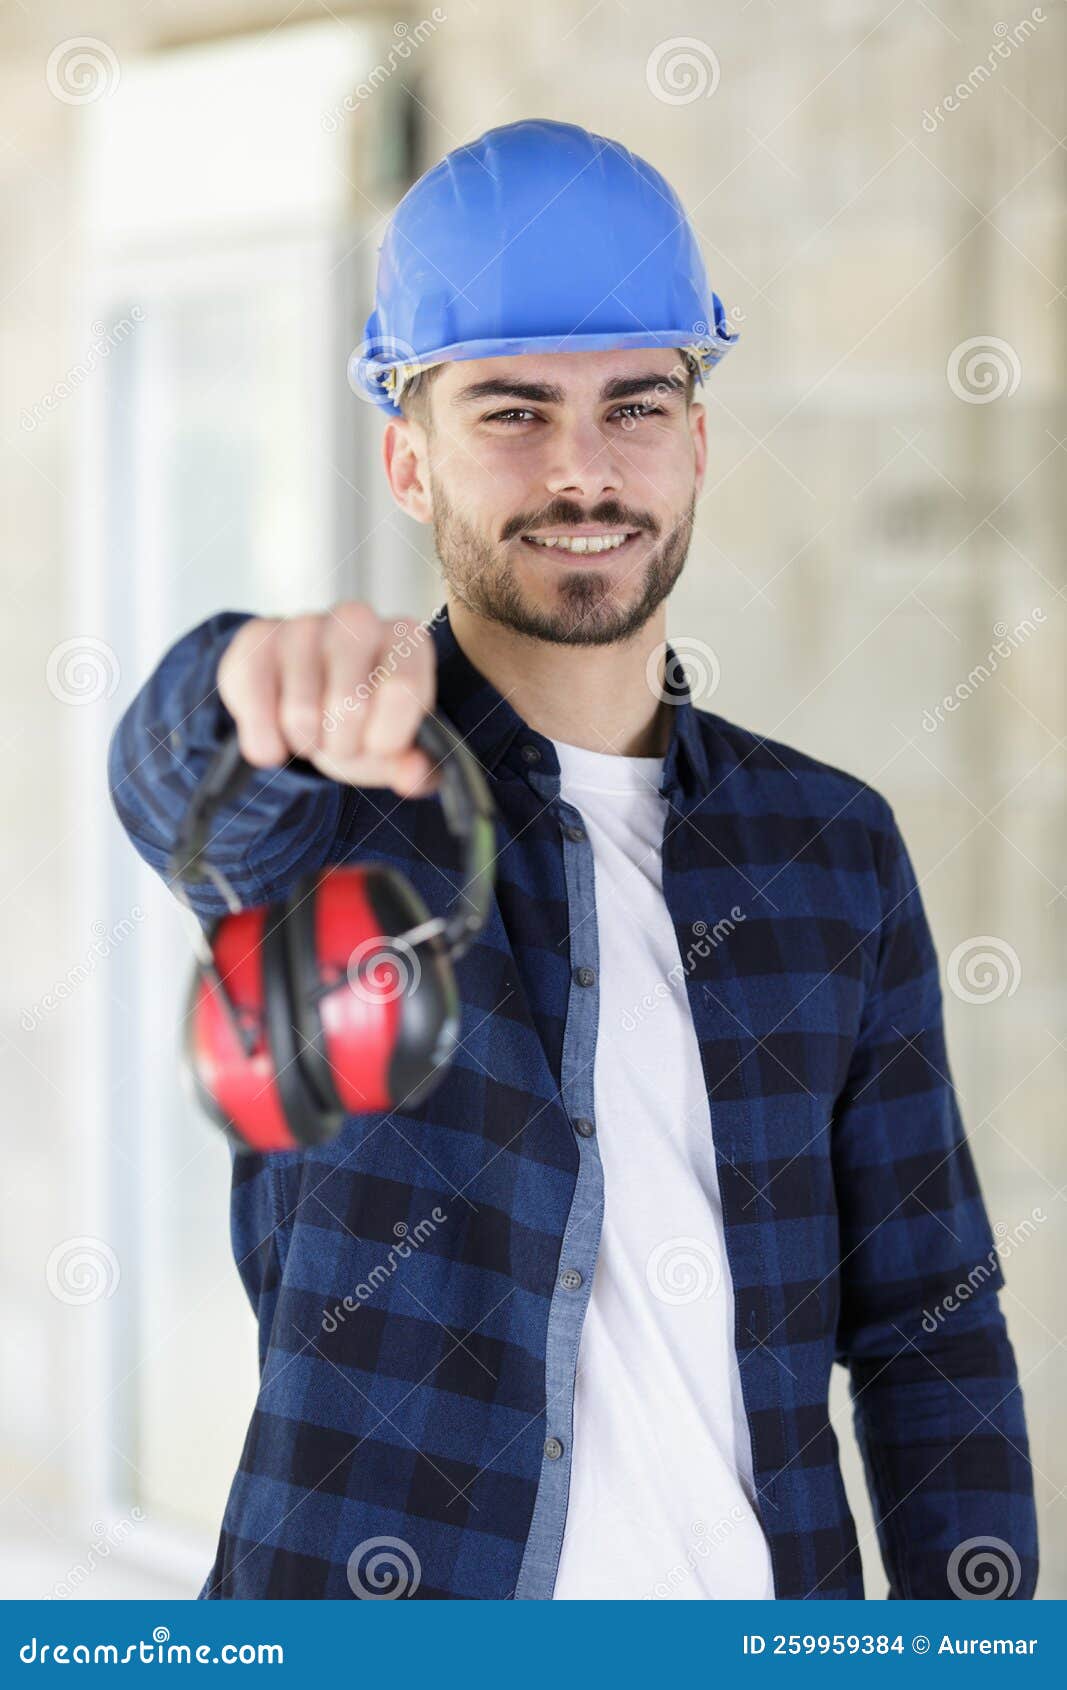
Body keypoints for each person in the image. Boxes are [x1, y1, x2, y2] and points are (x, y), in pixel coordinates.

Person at [107, 119, 1037, 1601]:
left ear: (698, 439)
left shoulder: (832, 850)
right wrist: (238, 681)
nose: (585, 470)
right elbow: (178, 778)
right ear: (408, 461)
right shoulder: (337, 809)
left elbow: (929, 1322)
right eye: (514, 412)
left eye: (636, 406)